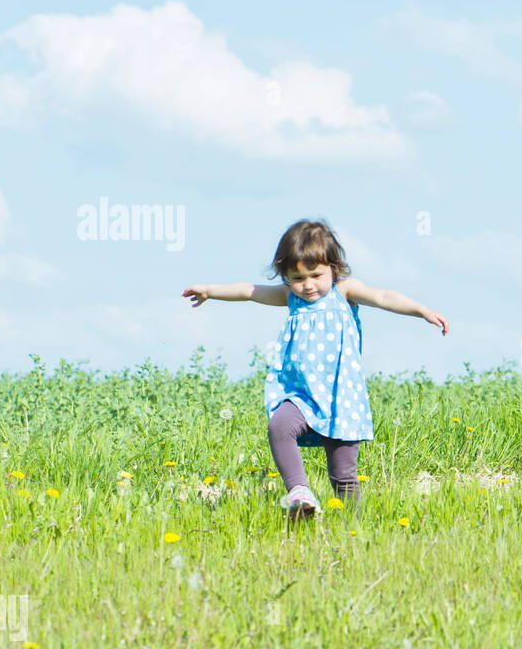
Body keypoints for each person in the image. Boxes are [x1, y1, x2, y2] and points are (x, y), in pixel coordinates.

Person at [182, 219, 449, 518]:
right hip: (300, 395)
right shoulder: (291, 297)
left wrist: (422, 311)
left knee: (344, 475)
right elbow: (249, 291)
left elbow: (384, 297)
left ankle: (351, 529)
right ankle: (299, 491)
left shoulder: (344, 292)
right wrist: (208, 290)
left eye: (316, 275)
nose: (307, 285)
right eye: (297, 277)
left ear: (334, 267)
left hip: (341, 400)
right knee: (279, 427)